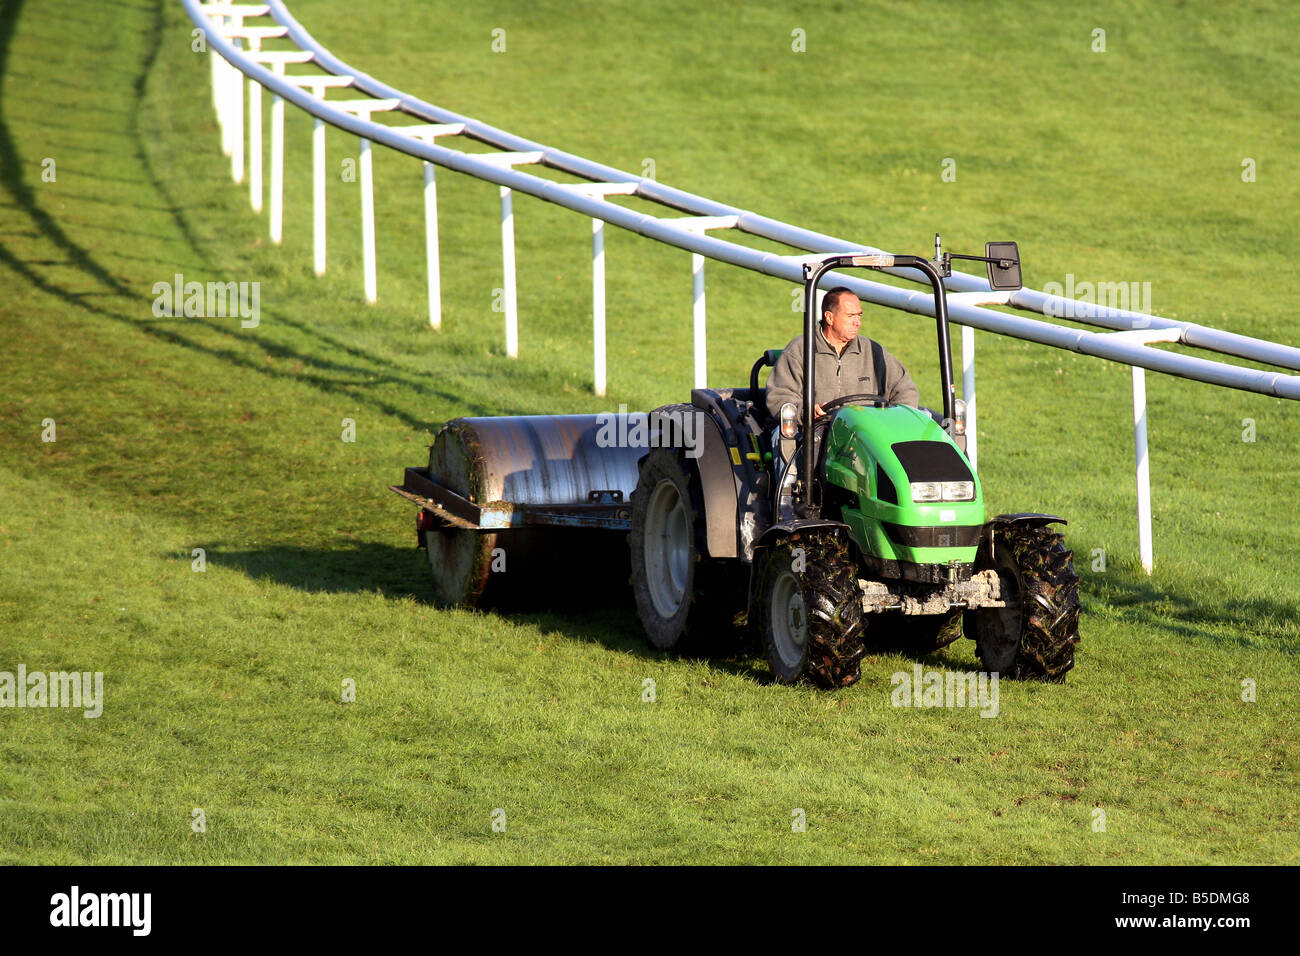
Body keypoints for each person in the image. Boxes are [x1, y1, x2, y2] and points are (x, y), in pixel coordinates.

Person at [765, 287, 919, 421]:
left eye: (859, 316)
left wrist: (894, 419)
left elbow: (905, 389)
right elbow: (779, 397)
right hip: (814, 433)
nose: (857, 322)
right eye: (851, 316)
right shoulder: (799, 350)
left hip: (860, 436)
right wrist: (805, 413)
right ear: (829, 318)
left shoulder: (873, 351)